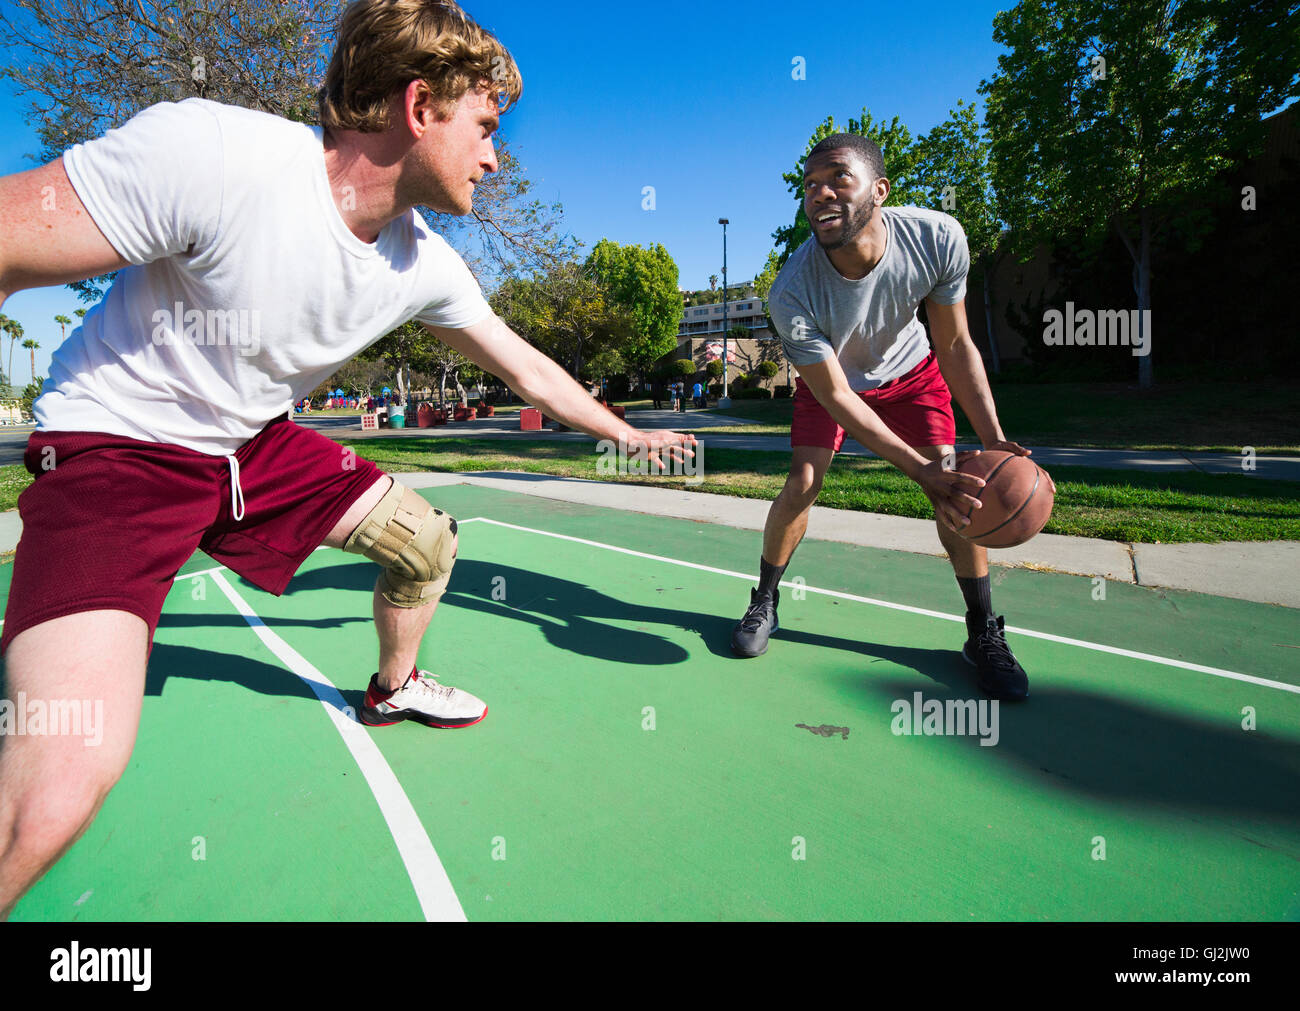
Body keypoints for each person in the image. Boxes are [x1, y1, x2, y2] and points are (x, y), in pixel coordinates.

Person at [0, 0, 694, 919]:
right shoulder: (218, 157)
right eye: (486, 127)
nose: (496, 156)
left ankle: (394, 688)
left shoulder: (424, 264)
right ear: (420, 107)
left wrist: (629, 435)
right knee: (62, 780)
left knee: (426, 541)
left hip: (250, 444)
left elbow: (525, 365)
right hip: (119, 446)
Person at [729, 133, 1053, 701]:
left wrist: (996, 440)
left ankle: (982, 633)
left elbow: (954, 344)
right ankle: (765, 600)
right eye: (809, 185)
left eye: (837, 179)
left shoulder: (936, 237)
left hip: (911, 372)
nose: (819, 193)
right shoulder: (791, 291)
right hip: (833, 385)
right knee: (803, 483)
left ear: (879, 189)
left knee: (961, 491)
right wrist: (914, 468)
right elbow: (837, 397)